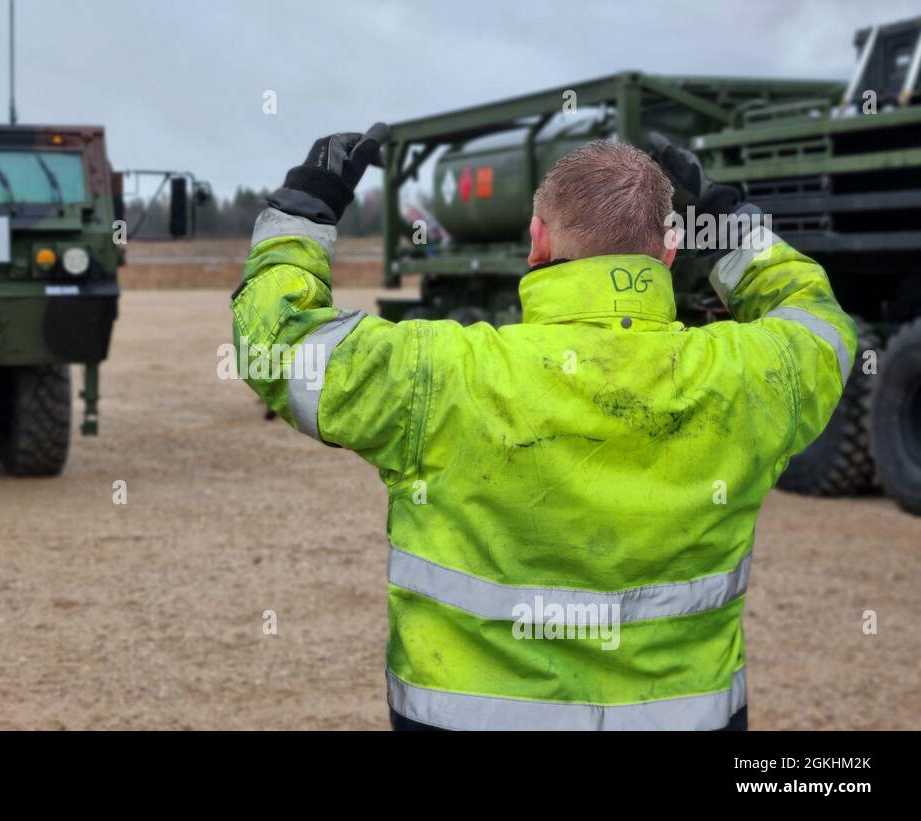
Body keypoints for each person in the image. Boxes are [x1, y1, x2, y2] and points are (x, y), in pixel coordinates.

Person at [231, 126, 855, 730]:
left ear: (537, 241)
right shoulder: (751, 376)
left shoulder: (443, 374)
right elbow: (817, 319)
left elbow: (277, 340)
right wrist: (733, 225)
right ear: (668, 250)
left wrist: (304, 210)